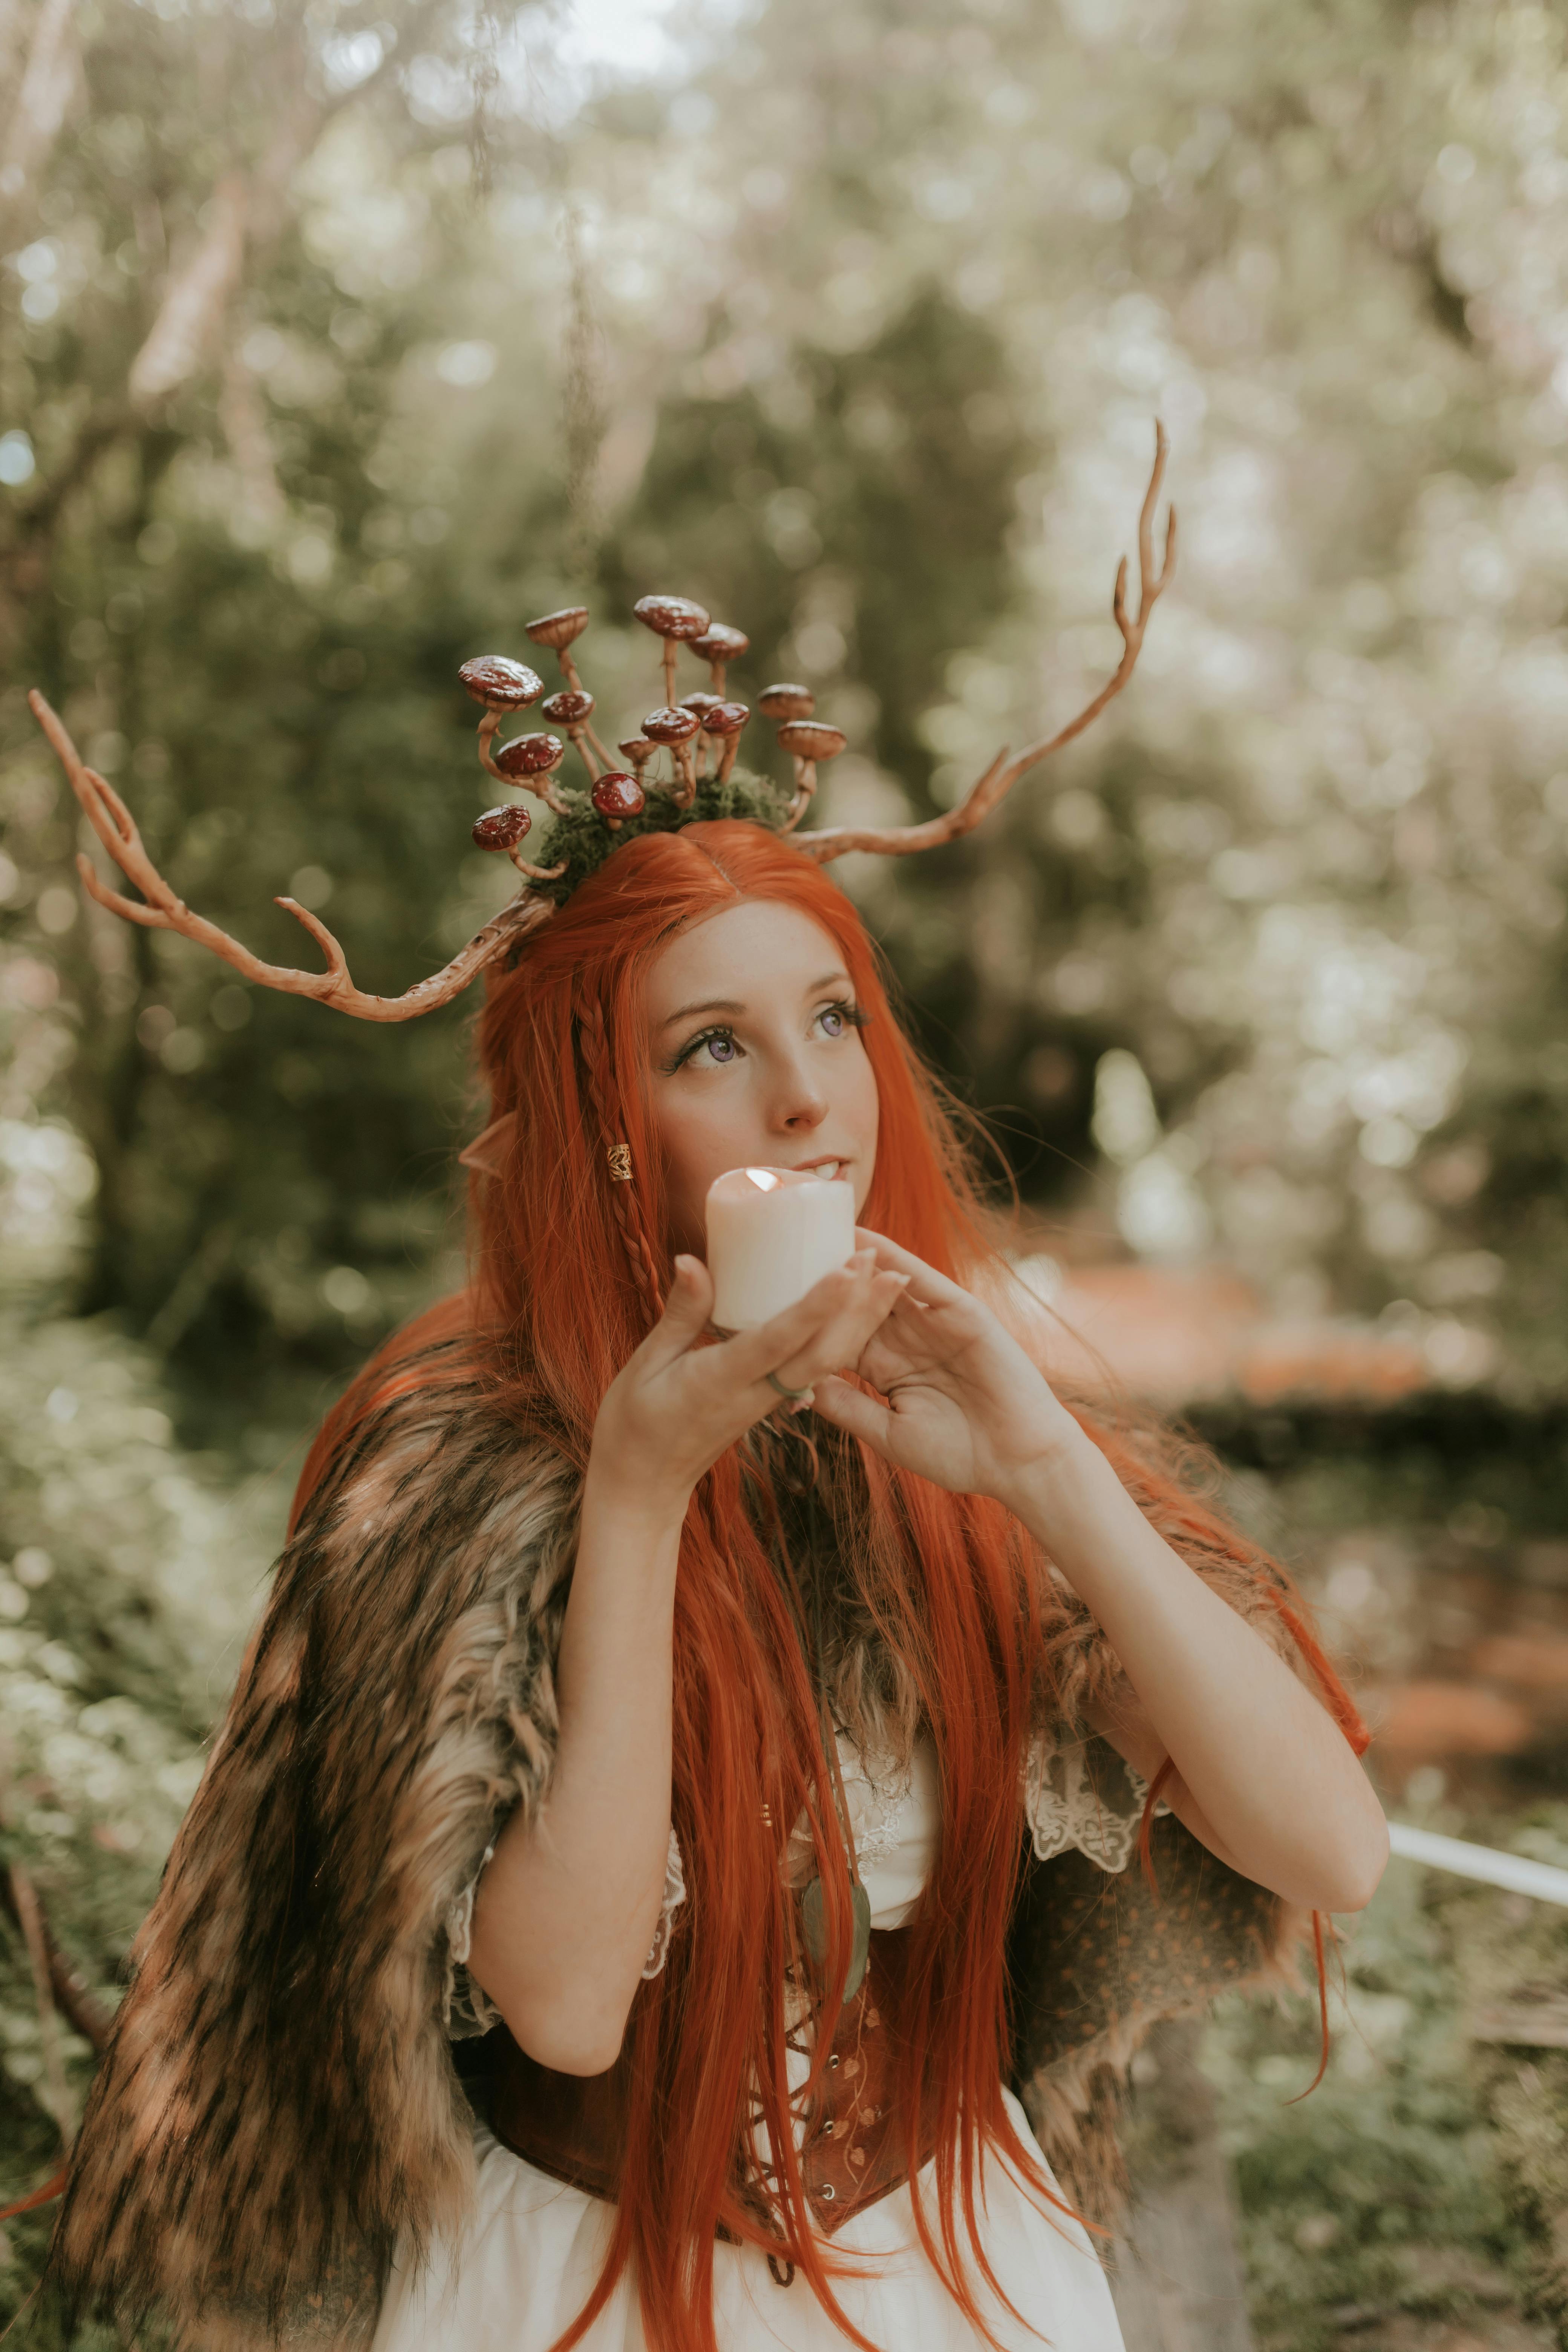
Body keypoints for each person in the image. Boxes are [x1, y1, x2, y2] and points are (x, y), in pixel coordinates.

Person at [28, 463, 1386, 2352]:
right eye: (710, 1047)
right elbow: (568, 2011)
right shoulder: (455, 1465)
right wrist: (637, 1495)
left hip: (952, 2272)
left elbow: (1330, 1852)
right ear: (605, 1125)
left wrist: (1042, 1469)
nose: (806, 1097)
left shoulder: (962, 1426)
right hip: (574, 2289)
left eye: (829, 1019)